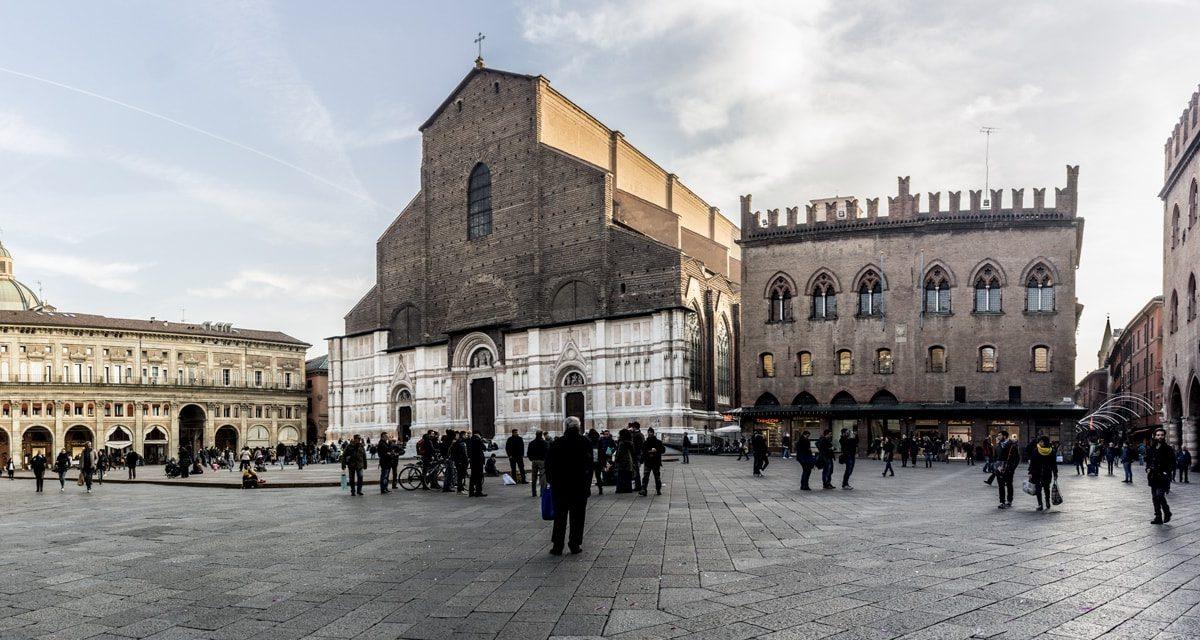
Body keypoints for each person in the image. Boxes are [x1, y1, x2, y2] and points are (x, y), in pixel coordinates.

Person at [545, 416, 594, 555]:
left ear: (566, 427)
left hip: (560, 487)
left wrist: (552, 482)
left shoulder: (557, 443)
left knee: (560, 517)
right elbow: (590, 466)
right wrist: (587, 485)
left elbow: (549, 465)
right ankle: (574, 544)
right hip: (579, 487)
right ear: (578, 427)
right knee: (578, 517)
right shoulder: (585, 442)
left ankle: (557, 546)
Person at [1147, 428, 1175, 524]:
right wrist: (1147, 468)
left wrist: (1166, 472)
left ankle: (1167, 512)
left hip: (1163, 477)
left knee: (1159, 495)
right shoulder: (1151, 448)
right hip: (1153, 476)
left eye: (1162, 435)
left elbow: (1172, 463)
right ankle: (1158, 517)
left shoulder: (1168, 449)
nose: (1160, 437)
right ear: (1155, 436)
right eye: (1158, 435)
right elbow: (1148, 460)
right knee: (1155, 497)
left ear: (1164, 436)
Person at [1027, 436, 1059, 512]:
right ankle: (1040, 504)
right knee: (1038, 489)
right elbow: (1032, 463)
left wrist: (1055, 473)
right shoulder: (1035, 450)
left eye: (1042, 442)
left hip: (1047, 473)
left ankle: (1047, 502)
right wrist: (1030, 472)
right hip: (1036, 472)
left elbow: (1054, 464)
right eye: (1040, 441)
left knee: (1046, 489)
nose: (1040, 443)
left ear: (1046, 442)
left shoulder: (1051, 451)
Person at [995, 431, 1020, 509]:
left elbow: (1017, 458)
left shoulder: (1012, 445)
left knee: (1009, 484)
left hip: (1009, 468)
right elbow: (995, 457)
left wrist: (1013, 468)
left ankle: (1009, 501)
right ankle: (1002, 501)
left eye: (999, 435)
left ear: (1004, 436)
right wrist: (995, 467)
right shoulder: (998, 445)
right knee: (1001, 486)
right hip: (999, 468)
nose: (998, 437)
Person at [639, 428, 665, 496]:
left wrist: (656, 450)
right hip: (648, 462)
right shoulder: (645, 442)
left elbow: (663, 450)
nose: (650, 434)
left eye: (651, 432)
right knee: (645, 476)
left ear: (653, 433)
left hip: (655, 462)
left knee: (657, 477)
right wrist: (641, 461)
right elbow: (643, 452)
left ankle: (658, 489)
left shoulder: (658, 442)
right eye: (649, 433)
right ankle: (644, 489)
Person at [527, 430, 548, 497]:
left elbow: (528, 452)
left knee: (534, 477)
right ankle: (542, 493)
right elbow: (547, 452)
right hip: (542, 461)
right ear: (541, 435)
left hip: (534, 461)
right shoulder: (544, 443)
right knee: (543, 477)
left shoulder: (531, 443)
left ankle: (534, 493)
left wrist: (531, 459)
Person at [614, 429, 635, 493]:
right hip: (629, 460)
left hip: (622, 460)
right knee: (628, 475)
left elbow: (619, 453)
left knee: (620, 475)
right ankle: (628, 489)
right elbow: (633, 452)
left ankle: (620, 489)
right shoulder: (630, 442)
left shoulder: (621, 443)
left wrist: (616, 460)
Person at [468, 432, 487, 497]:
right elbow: (484, 448)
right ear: (478, 435)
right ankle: (478, 491)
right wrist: (481, 440)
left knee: (473, 477)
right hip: (478, 462)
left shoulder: (470, 440)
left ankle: (471, 492)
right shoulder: (478, 440)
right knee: (479, 477)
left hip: (473, 461)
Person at [630, 423, 645, 492]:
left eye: (632, 427)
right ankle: (638, 485)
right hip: (639, 455)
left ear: (634, 427)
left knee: (636, 471)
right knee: (636, 470)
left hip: (636, 455)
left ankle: (638, 486)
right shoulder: (640, 434)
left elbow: (635, 447)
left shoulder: (636, 435)